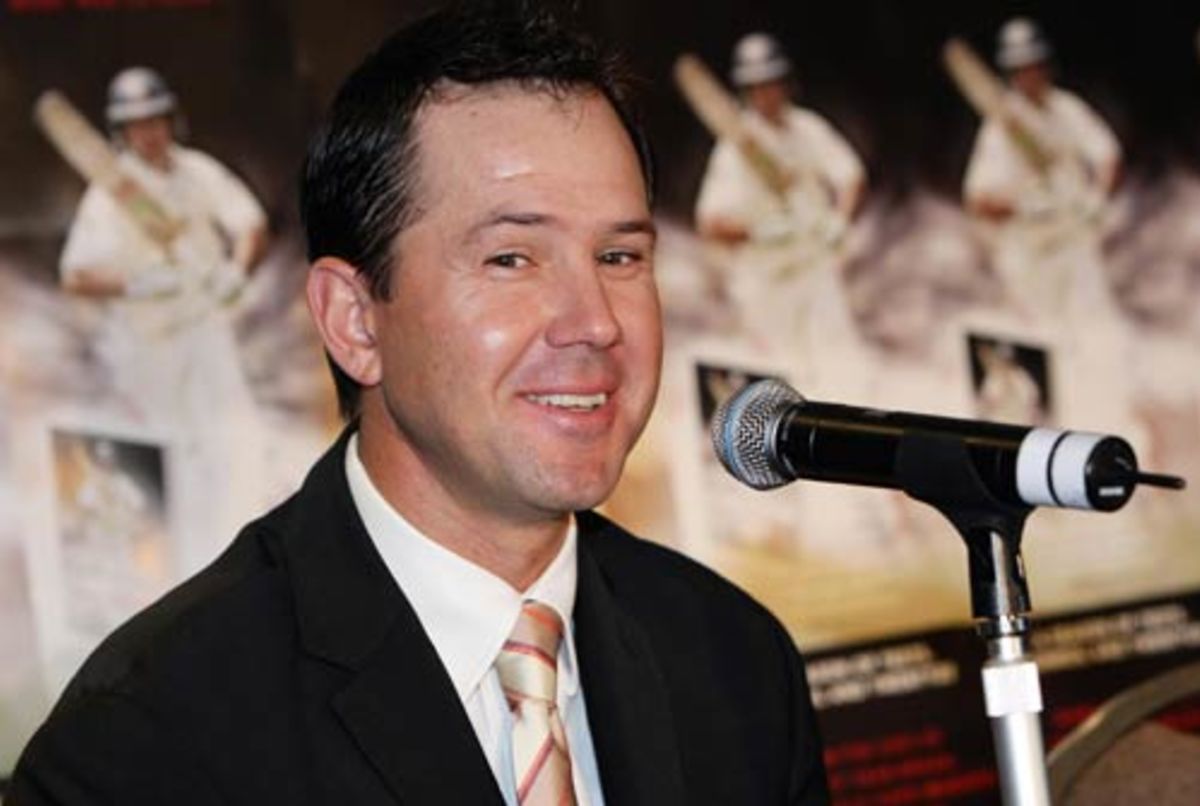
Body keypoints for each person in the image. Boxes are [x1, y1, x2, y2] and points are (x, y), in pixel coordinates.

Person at [10, 6, 829, 805]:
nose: (596, 322)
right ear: (355, 321)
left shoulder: (735, 662)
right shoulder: (147, 743)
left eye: (618, 256)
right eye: (511, 259)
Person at [57, 66, 270, 572]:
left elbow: (251, 223)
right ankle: (181, 574)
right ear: (121, 132)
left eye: (155, 120)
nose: (149, 133)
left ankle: (242, 565)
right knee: (173, 467)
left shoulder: (198, 171)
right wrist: (136, 285)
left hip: (206, 332)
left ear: (171, 120)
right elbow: (76, 275)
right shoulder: (111, 194)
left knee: (237, 447)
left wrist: (236, 271)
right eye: (137, 125)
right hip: (149, 348)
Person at [694, 32, 868, 396]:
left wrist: (840, 220)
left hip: (815, 269)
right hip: (767, 284)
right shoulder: (735, 148)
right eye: (756, 87)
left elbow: (851, 175)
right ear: (746, 92)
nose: (766, 94)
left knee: (843, 371)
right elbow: (710, 223)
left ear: (786, 83)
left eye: (771, 83)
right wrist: (758, 232)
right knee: (784, 379)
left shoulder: (808, 128)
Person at [963, 17, 1122, 321]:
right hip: (1030, 254)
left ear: (1046, 65)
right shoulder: (1000, 128)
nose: (1030, 75)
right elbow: (978, 201)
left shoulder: (1068, 108)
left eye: (1034, 65)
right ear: (1010, 74)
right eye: (1021, 68)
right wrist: (1024, 208)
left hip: (1074, 240)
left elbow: (1108, 155)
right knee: (1044, 334)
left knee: (1095, 326)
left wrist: (1098, 198)